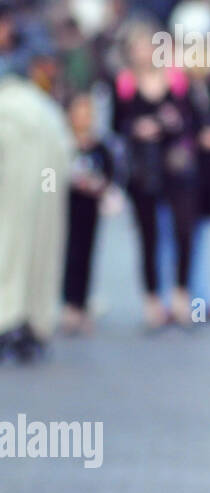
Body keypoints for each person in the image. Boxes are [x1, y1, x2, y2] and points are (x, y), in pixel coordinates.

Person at [112, 23, 202, 329]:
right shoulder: (124, 84)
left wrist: (170, 124)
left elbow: (195, 121)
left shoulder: (177, 81)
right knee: (148, 233)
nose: (144, 53)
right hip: (143, 168)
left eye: (149, 46)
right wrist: (136, 129)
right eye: (138, 47)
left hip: (176, 165)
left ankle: (180, 294)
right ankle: (152, 299)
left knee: (184, 230)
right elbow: (115, 126)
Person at [0, 41, 73, 363]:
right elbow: (66, 156)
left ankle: (7, 318)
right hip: (46, 204)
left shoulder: (6, 107)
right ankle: (33, 324)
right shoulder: (47, 111)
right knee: (40, 260)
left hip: (9, 203)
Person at [61, 92, 116, 334]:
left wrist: (98, 185)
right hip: (67, 208)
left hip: (89, 209)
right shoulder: (63, 143)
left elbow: (110, 174)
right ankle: (68, 304)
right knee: (68, 256)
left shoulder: (99, 146)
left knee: (85, 256)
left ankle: (81, 304)